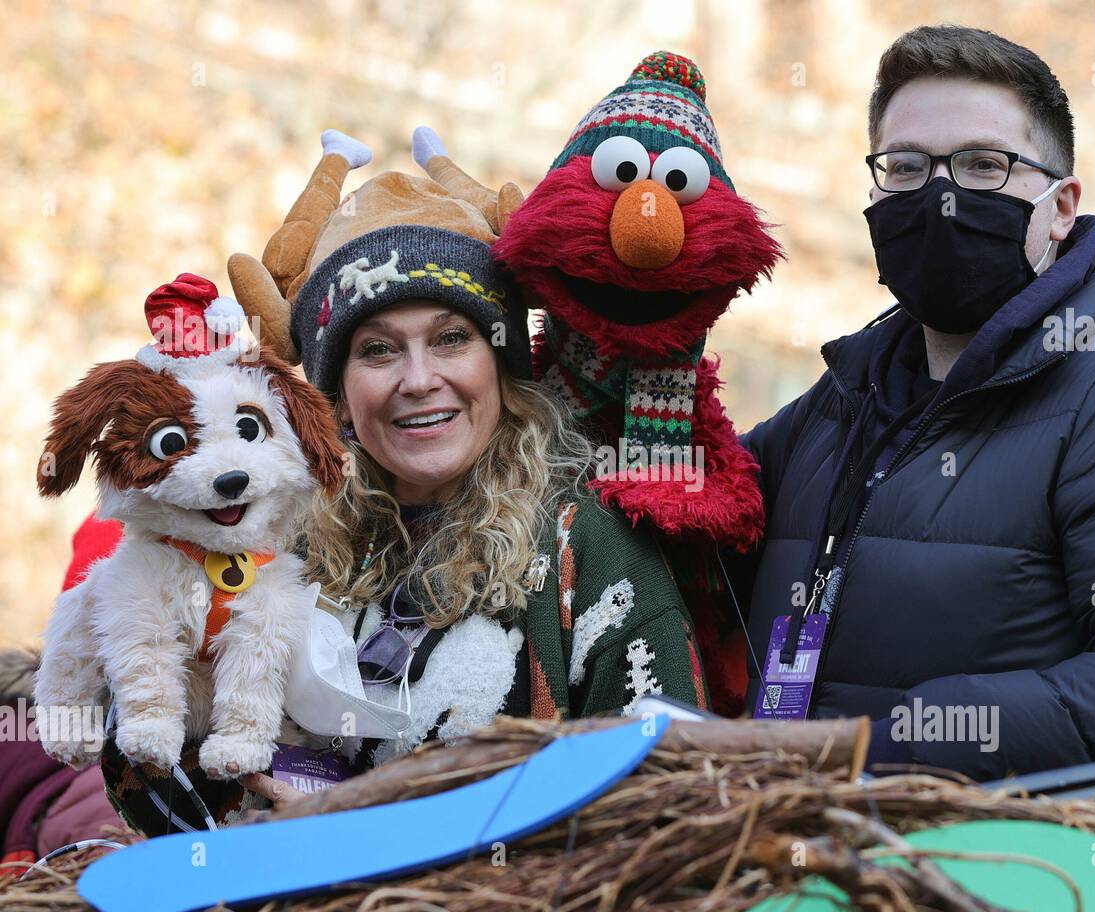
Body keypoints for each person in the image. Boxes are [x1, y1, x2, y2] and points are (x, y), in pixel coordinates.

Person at [741, 25, 1095, 833]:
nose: (942, 196)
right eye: (908, 167)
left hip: (1089, 893)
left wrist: (879, 749)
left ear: (1061, 207)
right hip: (842, 875)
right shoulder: (830, 412)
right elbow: (672, 520)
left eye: (984, 166)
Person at [98, 143, 709, 834]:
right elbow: (166, 804)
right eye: (378, 349)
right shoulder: (275, 543)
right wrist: (154, 686)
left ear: (500, 367)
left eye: (451, 338)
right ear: (336, 395)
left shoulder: (589, 549)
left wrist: (362, 834)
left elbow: (667, 812)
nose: (418, 379)